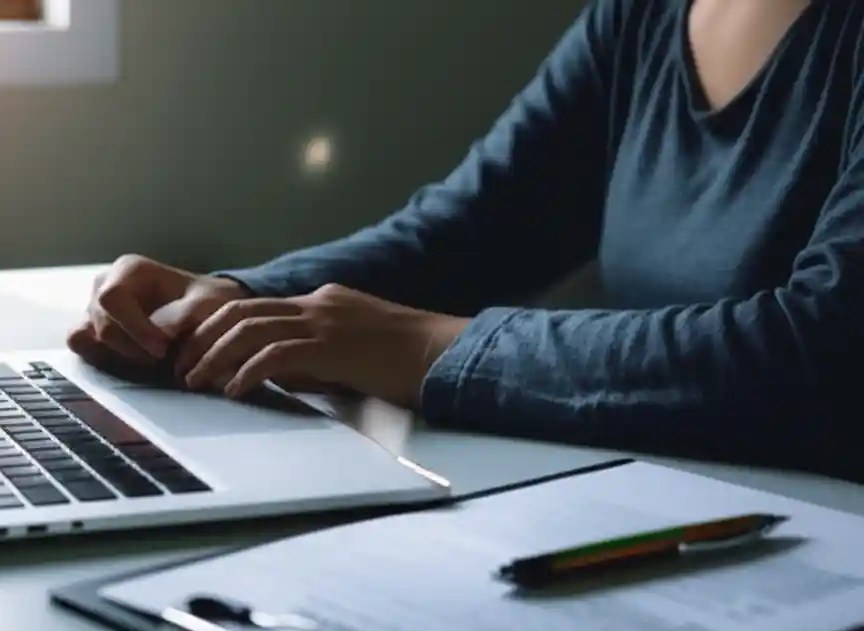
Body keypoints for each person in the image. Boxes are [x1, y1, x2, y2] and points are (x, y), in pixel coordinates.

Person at [68, 0, 863, 476]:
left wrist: (421, 348)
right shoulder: (642, 16)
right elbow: (473, 230)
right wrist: (242, 296)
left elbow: (824, 356)